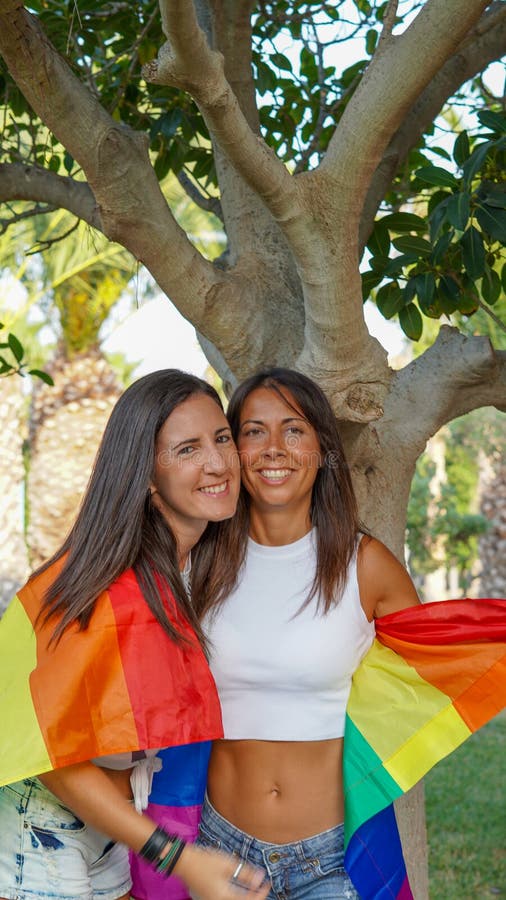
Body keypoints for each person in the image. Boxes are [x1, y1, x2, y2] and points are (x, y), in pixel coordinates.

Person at [0, 369, 268, 900]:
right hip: (44, 828)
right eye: (187, 449)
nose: (217, 463)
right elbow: (47, 756)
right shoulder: (107, 587)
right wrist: (177, 858)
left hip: (112, 821)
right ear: (146, 475)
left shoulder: (189, 570)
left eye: (220, 439)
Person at [190, 366, 421, 899]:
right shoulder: (198, 564)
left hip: (332, 859)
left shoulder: (366, 567)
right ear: (234, 451)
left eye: (294, 430)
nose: (274, 448)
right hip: (221, 854)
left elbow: (424, 687)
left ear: (322, 448)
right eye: (253, 431)